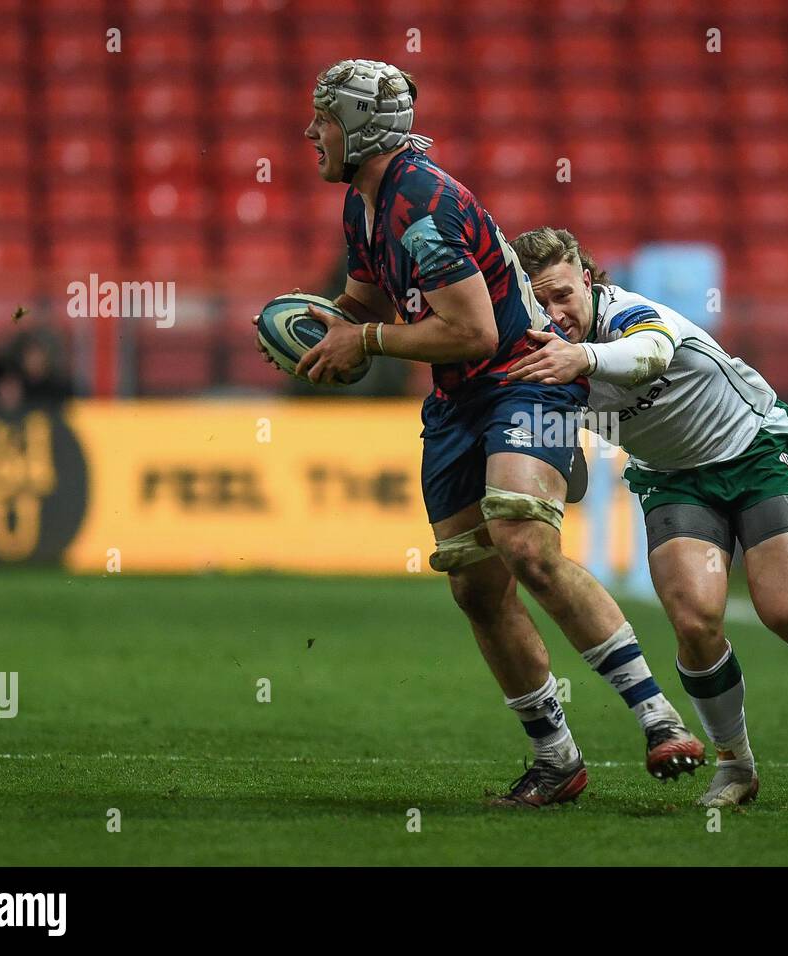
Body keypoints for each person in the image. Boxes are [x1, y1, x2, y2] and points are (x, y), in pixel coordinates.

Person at [255, 60, 703, 807]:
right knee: (475, 584)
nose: (310, 132)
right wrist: (319, 329)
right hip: (459, 404)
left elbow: (470, 330)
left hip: (522, 380)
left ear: (361, 129)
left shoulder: (421, 207)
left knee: (523, 540)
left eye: (323, 119)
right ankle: (556, 760)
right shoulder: (364, 205)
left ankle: (658, 719)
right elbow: (363, 299)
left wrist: (362, 342)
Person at [508, 227, 788, 808]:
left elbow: (654, 355)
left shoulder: (628, 316)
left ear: (588, 282)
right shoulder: (541, 364)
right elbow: (576, 478)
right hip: (671, 477)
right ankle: (736, 765)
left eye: (563, 294)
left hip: (753, 450)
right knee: (694, 621)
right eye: (539, 302)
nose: (555, 311)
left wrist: (581, 359)